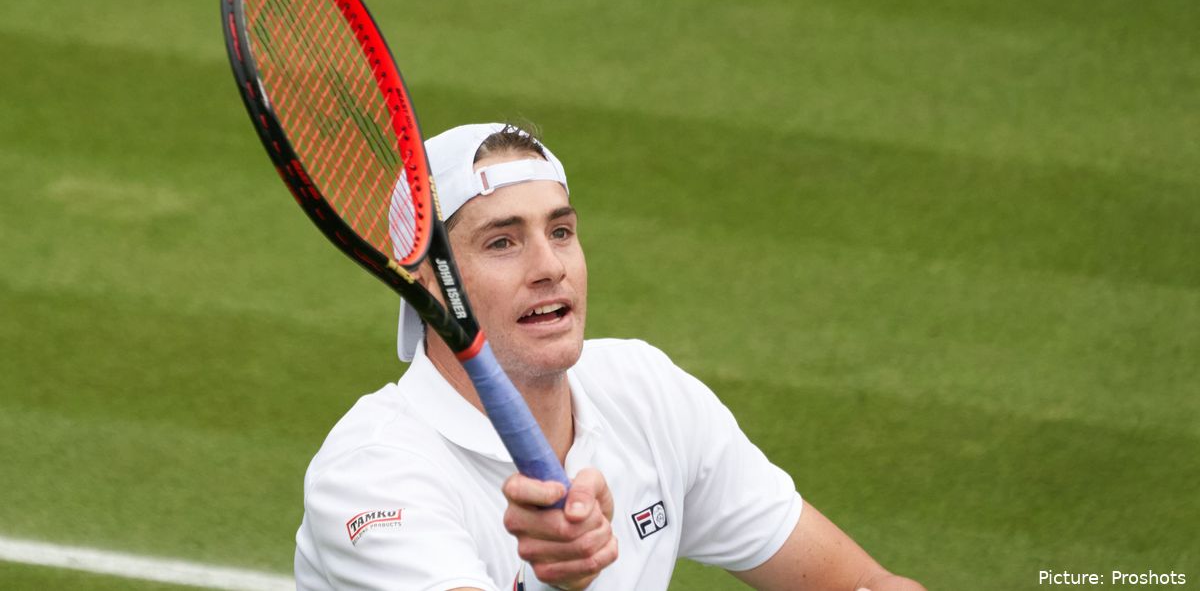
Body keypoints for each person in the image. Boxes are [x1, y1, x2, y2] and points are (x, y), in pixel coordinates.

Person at [294, 123, 925, 590]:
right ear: (427, 282)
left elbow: (859, 584)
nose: (549, 268)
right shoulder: (373, 474)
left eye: (561, 231)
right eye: (503, 241)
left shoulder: (646, 392)